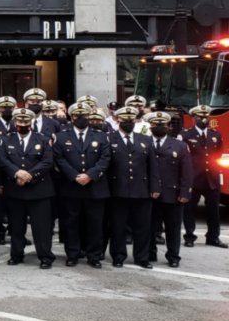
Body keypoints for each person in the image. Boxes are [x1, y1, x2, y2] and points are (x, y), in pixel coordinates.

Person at [53, 102, 111, 268]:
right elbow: (59, 159)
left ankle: (94, 255)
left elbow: (105, 159)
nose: (81, 119)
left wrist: (90, 176)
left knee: (95, 224)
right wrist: (74, 176)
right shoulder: (62, 136)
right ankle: (72, 254)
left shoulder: (100, 136)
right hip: (71, 186)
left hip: (95, 187)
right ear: (72, 117)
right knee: (71, 223)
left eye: (84, 116)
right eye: (78, 116)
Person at [0, 108, 56, 269]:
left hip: (39, 189)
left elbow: (47, 161)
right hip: (15, 188)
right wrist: (17, 173)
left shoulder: (43, 139)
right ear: (14, 122)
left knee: (41, 227)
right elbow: (2, 160)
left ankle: (45, 256)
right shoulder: (6, 139)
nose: (22, 124)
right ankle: (16, 254)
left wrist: (29, 175)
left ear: (31, 122)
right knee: (16, 225)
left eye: (25, 122)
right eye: (19, 121)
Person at [107, 106, 160, 268]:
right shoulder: (109, 139)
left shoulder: (145, 139)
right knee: (118, 226)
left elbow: (152, 166)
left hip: (141, 189)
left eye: (131, 120)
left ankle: (142, 257)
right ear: (117, 121)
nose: (128, 123)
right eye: (124, 120)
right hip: (118, 190)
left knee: (142, 227)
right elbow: (106, 166)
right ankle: (118, 255)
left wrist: (155, 187)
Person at [147, 111, 192, 269]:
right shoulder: (144, 143)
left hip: (172, 193)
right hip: (148, 192)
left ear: (168, 127)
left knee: (173, 227)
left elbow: (186, 171)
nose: (159, 127)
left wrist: (185, 192)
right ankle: (150, 253)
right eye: (155, 125)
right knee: (149, 226)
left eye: (162, 125)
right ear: (150, 127)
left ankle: (173, 256)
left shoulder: (179, 145)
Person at [181, 104, 227, 248]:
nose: (203, 119)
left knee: (213, 210)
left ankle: (213, 237)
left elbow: (217, 154)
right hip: (194, 177)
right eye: (200, 117)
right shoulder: (186, 135)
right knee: (190, 209)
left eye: (205, 116)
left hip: (211, 177)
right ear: (194, 118)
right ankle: (189, 236)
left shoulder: (215, 135)